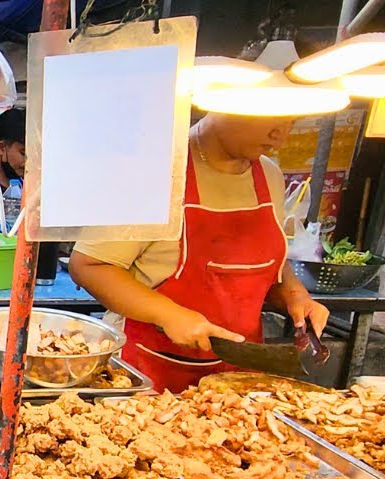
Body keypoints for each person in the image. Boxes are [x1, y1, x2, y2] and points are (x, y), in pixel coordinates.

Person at [69, 113, 329, 393]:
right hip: (152, 373)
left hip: (239, 376)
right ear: (221, 105)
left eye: (291, 120)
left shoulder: (270, 175)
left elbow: (259, 263)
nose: (282, 133)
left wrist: (293, 294)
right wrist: (170, 315)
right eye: (269, 117)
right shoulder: (153, 173)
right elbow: (90, 266)